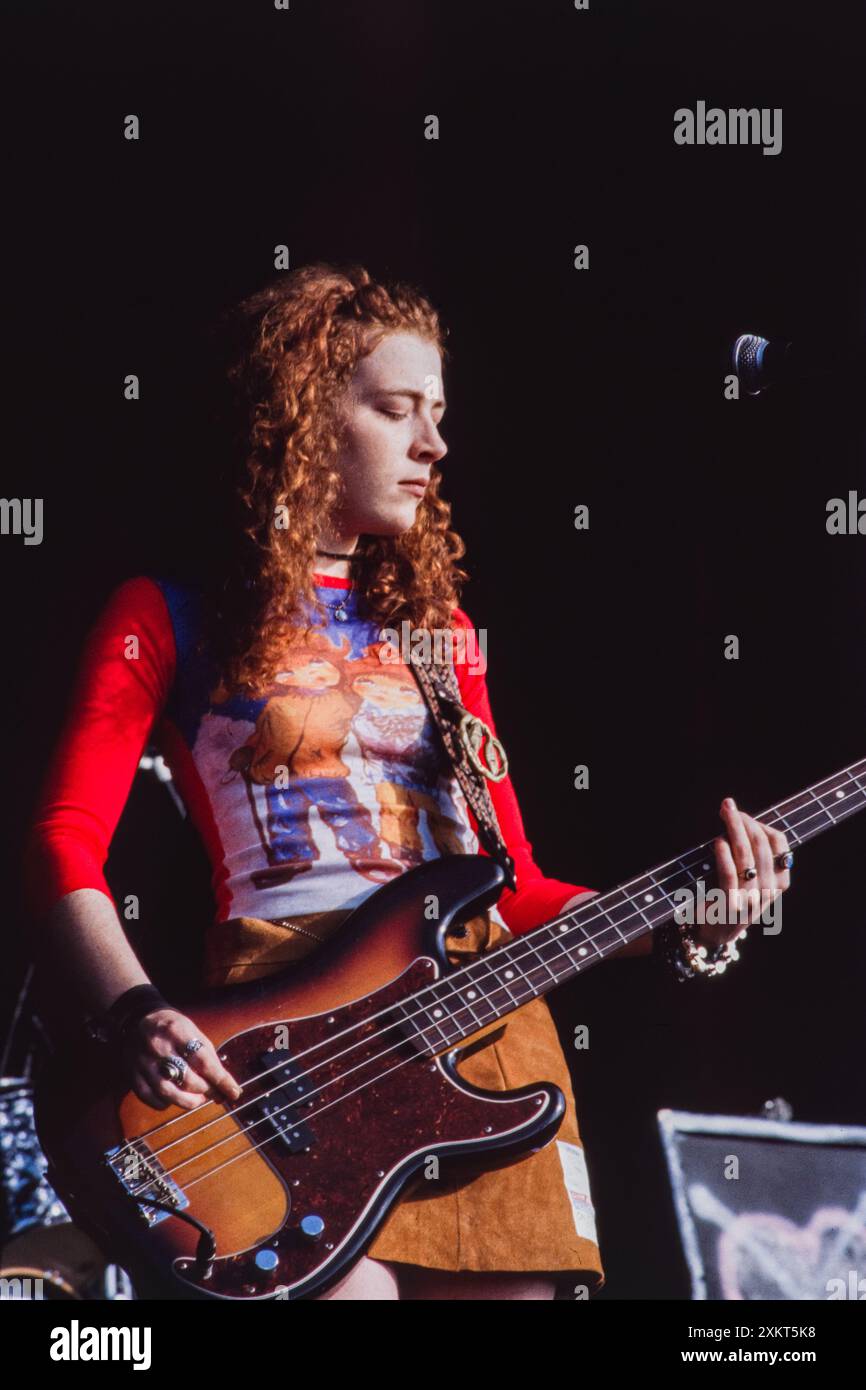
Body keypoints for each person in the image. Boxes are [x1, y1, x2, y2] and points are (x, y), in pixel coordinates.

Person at [23, 262, 792, 1301]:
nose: (432, 443)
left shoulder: (443, 639)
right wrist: (136, 1010)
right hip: (285, 1041)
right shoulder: (166, 612)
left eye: (437, 414)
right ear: (300, 419)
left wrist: (690, 912)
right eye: (395, 410)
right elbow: (63, 838)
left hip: (480, 1037)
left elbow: (508, 885)